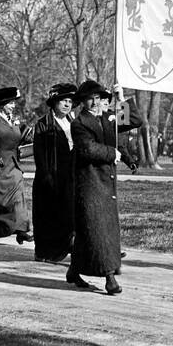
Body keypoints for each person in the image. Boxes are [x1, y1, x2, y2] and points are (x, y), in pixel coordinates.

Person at [68, 81, 140, 296]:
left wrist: (121, 97)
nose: (95, 102)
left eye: (98, 98)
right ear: (83, 101)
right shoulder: (79, 122)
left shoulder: (109, 118)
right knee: (98, 229)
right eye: (90, 98)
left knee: (91, 229)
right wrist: (112, 154)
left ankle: (74, 270)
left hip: (107, 183)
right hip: (89, 182)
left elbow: (135, 121)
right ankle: (109, 276)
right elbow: (87, 148)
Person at [0, 86, 34, 245]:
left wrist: (27, 136)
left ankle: (22, 231)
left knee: (18, 199)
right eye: (10, 103)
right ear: (2, 104)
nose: (13, 105)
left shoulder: (14, 121)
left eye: (13, 103)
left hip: (14, 167)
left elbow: (18, 140)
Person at [31, 82, 77, 263]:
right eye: (63, 101)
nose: (67, 104)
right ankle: (44, 251)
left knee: (66, 213)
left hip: (68, 176)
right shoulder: (44, 124)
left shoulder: (72, 123)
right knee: (47, 215)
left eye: (70, 101)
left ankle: (65, 247)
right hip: (49, 177)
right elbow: (39, 154)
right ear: (54, 103)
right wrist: (46, 175)